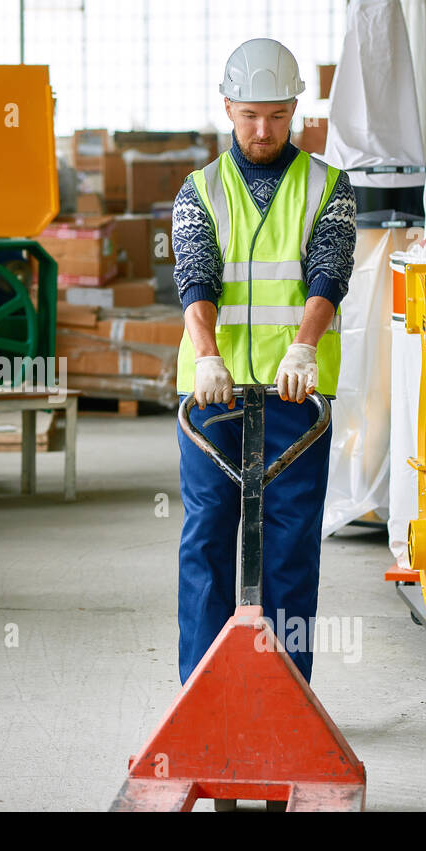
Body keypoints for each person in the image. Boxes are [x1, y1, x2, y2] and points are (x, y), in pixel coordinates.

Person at [173, 37, 356, 685]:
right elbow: (195, 276)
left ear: (296, 111)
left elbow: (328, 270)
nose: (263, 129)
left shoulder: (328, 186)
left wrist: (306, 343)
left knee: (289, 550)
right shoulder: (200, 191)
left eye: (278, 115)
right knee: (207, 542)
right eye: (250, 115)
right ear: (227, 107)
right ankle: (200, 691)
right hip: (212, 396)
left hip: (293, 399)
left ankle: (289, 692)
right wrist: (206, 357)